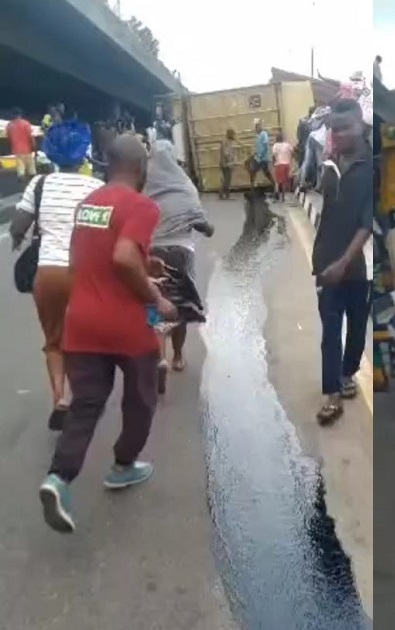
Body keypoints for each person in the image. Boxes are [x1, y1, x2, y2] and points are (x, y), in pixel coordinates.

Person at [38, 134, 176, 534]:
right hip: (127, 325)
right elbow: (121, 257)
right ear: (140, 167)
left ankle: (58, 479)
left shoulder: (88, 205)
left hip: (81, 321)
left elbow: (93, 254)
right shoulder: (142, 205)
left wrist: (145, 263)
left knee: (85, 405)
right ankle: (122, 466)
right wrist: (156, 297)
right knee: (141, 400)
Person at [9, 120, 103, 431]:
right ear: (84, 156)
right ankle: (83, 396)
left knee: (54, 341)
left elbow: (18, 227)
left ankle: (60, 397)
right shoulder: (96, 188)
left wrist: (22, 236)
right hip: (84, 274)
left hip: (47, 274)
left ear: (51, 154)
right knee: (86, 339)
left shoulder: (39, 185)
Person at [312, 99, 373, 425]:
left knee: (358, 324)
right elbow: (327, 207)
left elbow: (366, 223)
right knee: (330, 330)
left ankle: (348, 373)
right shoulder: (331, 162)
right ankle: (332, 393)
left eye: (345, 127)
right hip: (326, 261)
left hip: (358, 266)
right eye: (334, 130)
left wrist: (344, 262)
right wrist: (325, 171)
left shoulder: (371, 168)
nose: (338, 134)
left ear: (360, 126)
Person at [144, 139, 213, 392]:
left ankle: (159, 356)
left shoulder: (144, 187)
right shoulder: (185, 186)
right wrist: (207, 227)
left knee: (154, 303)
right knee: (179, 304)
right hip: (180, 253)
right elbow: (202, 224)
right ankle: (178, 355)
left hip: (151, 253)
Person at [7, 109, 36, 183]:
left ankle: (21, 175)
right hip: (27, 148)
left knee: (20, 164)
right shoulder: (26, 123)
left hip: (16, 148)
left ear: (12, 115)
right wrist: (34, 145)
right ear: (20, 114)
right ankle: (32, 176)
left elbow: (9, 137)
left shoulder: (10, 125)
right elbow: (30, 136)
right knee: (30, 163)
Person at [247, 118, 274, 187]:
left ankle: (253, 187)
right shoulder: (258, 136)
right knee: (266, 172)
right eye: (256, 127)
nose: (256, 129)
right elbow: (259, 147)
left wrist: (260, 156)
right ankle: (274, 185)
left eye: (257, 127)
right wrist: (255, 154)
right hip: (260, 157)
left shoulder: (263, 134)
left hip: (262, 158)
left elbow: (265, 146)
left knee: (252, 170)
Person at [271, 132, 294, 202]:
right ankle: (283, 197)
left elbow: (273, 156)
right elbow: (293, 152)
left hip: (279, 165)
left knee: (277, 181)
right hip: (287, 165)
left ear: (277, 139)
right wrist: (290, 160)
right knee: (284, 181)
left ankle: (277, 194)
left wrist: (273, 163)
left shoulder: (275, 146)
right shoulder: (288, 145)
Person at [219, 129, 238, 200]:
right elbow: (226, 153)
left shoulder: (225, 141)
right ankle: (222, 193)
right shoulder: (226, 142)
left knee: (226, 179)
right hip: (226, 164)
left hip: (224, 163)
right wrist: (231, 160)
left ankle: (227, 194)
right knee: (227, 180)